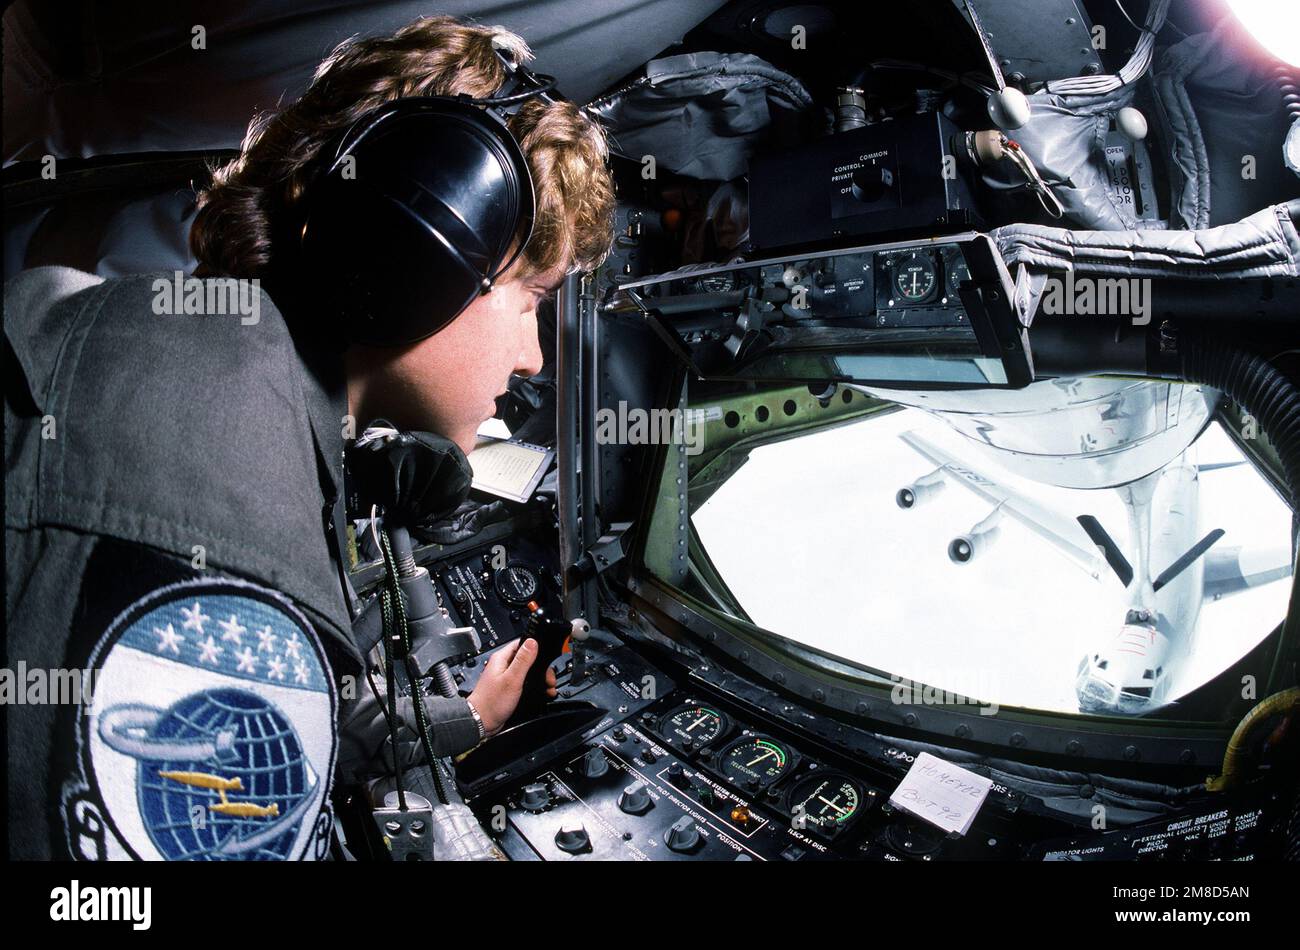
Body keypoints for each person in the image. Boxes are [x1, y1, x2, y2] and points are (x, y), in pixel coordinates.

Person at [3, 14, 615, 860]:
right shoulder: (218, 536)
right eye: (532, 300)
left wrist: (462, 715)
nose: (532, 355)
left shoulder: (202, 368)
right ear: (419, 255)